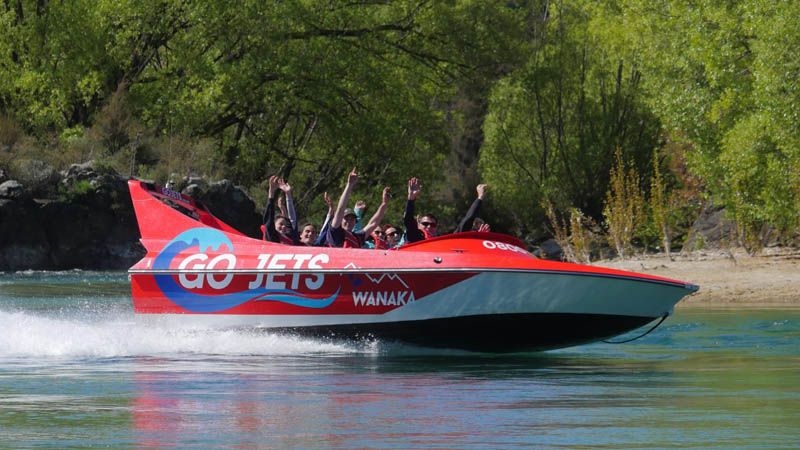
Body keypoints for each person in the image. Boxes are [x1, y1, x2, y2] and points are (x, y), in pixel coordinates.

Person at [327, 167, 391, 248]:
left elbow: (373, 223)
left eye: (352, 219)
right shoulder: (336, 233)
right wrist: (349, 185)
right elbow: (340, 209)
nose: (349, 221)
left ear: (355, 222)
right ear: (340, 220)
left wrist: (384, 203)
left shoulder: (358, 237)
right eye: (346, 218)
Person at [263, 175, 300, 245]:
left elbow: (292, 220)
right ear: (274, 225)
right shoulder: (272, 236)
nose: (283, 227)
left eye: (285, 225)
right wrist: (271, 193)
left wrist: (288, 194)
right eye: (281, 224)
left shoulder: (290, 237)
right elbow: (269, 220)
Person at [403, 177, 438, 244]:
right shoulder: (415, 235)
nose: (429, 226)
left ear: (436, 227)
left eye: (433, 225)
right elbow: (408, 219)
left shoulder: (439, 241)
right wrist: (411, 198)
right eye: (425, 224)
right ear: (418, 224)